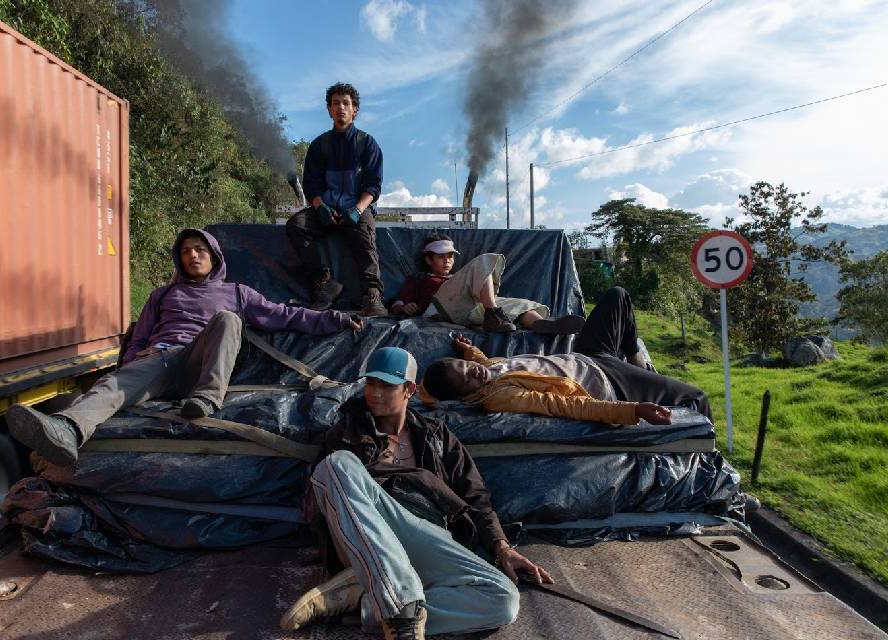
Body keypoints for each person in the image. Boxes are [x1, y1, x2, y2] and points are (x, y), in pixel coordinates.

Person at [6, 228, 362, 468]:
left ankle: (206, 399)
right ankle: (67, 430)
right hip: (160, 361)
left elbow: (285, 316)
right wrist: (130, 367)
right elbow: (139, 338)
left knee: (228, 320)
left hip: (200, 362)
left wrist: (335, 319)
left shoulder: (237, 293)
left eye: (200, 250)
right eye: (187, 251)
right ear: (179, 259)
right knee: (112, 385)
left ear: (214, 256)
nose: (193, 255)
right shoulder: (163, 294)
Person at [280, 347, 551, 639]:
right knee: (336, 465)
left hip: (427, 535)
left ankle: (366, 604)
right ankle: (403, 616)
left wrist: (502, 548)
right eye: (371, 383)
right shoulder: (347, 433)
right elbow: (331, 497)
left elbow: (476, 496)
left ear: (409, 389)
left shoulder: (438, 435)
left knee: (503, 600)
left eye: (386, 386)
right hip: (372, 537)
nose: (375, 393)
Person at [420, 287, 712, 426]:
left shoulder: (485, 369)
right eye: (467, 378)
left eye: (466, 367)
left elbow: (482, 363)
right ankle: (713, 465)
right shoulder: (499, 396)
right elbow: (566, 406)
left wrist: (466, 350)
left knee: (618, 296)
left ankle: (636, 358)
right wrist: (631, 410)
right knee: (696, 397)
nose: (475, 372)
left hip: (586, 355)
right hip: (607, 380)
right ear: (465, 396)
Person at [286, 82, 387, 316]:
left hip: (356, 210)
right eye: (335, 103)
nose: (341, 107)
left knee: (366, 239)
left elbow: (373, 185)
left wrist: (359, 210)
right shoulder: (319, 146)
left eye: (346, 103)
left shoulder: (367, 144)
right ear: (329, 110)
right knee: (296, 226)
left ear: (355, 110)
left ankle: (372, 295)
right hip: (326, 210)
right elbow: (311, 184)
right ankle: (324, 283)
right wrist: (320, 207)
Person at [390, 234, 585, 335]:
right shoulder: (420, 279)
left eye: (450, 256)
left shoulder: (458, 277)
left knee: (519, 304)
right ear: (428, 259)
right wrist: (404, 307)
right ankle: (493, 314)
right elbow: (396, 304)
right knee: (484, 263)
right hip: (439, 308)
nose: (447, 261)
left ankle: (543, 325)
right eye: (441, 256)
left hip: (468, 310)